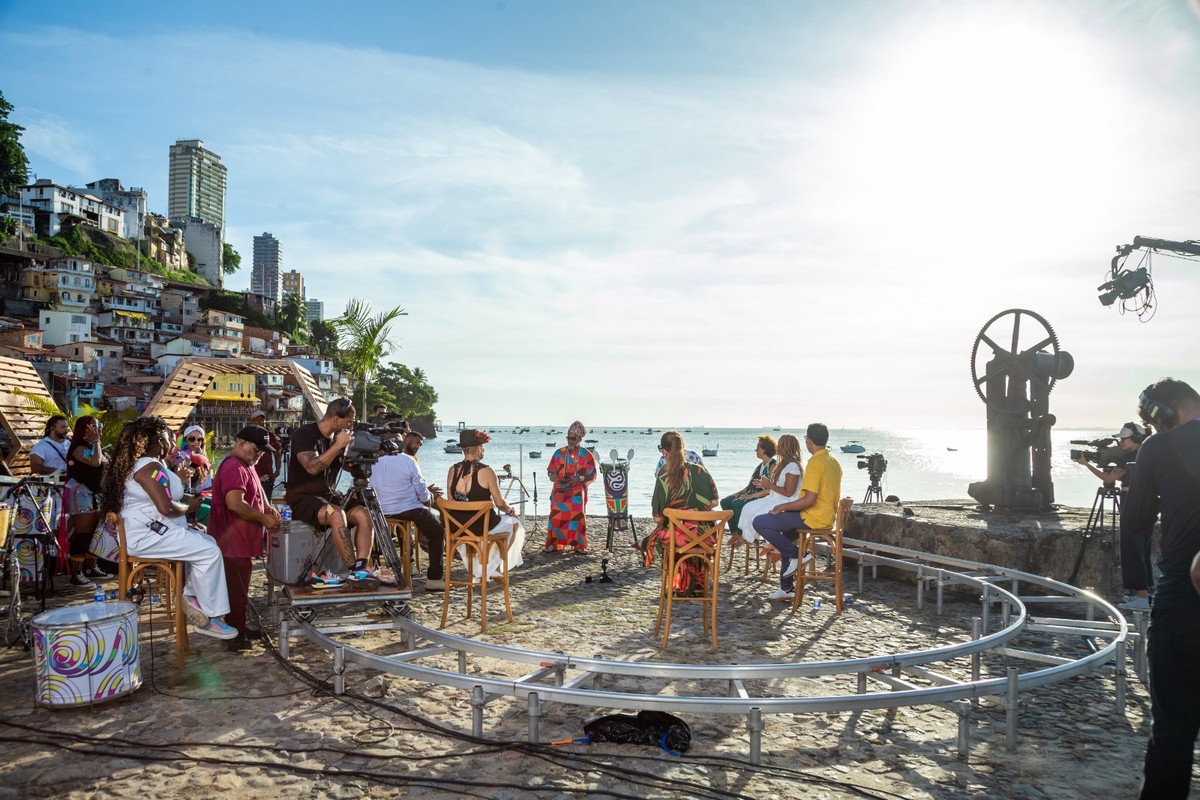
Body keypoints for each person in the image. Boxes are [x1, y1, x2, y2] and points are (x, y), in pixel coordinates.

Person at [1121, 378, 1200, 799]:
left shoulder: (1157, 447)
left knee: (1174, 733)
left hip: (1182, 608)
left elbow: (1135, 524)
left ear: (1164, 414)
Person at [97, 416, 237, 639]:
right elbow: (166, 507)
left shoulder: (150, 465)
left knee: (208, 542)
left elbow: (162, 497)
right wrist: (188, 507)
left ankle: (191, 599)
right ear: (158, 440)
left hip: (152, 531)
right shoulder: (149, 467)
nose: (173, 442)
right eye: (168, 437)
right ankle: (209, 618)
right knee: (210, 552)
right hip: (148, 537)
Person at [284, 397, 381, 589]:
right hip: (302, 498)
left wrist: (360, 454)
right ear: (336, 419)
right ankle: (352, 571)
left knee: (363, 513)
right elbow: (312, 468)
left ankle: (361, 567)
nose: (350, 426)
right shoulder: (305, 434)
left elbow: (345, 467)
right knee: (336, 513)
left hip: (328, 495)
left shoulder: (337, 439)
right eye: (349, 422)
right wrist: (337, 446)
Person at [210, 425, 281, 652]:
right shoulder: (233, 466)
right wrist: (263, 518)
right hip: (231, 540)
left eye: (262, 451)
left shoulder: (247, 464)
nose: (260, 454)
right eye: (256, 449)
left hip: (241, 540)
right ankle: (235, 633)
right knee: (235, 587)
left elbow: (258, 490)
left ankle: (238, 626)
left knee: (240, 588)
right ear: (241, 444)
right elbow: (235, 504)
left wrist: (268, 508)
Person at [754, 423, 843, 602]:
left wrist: (783, 507)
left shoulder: (816, 463)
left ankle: (798, 555)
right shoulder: (833, 462)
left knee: (760, 522)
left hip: (813, 518)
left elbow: (809, 500)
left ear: (809, 442)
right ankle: (786, 588)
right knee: (786, 537)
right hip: (826, 518)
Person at [1075, 421, 1152, 610]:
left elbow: (1108, 479)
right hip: (1148, 503)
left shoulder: (1127, 459)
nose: (1121, 443)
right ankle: (1145, 594)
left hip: (1131, 501)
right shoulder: (1147, 455)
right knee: (1143, 549)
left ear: (1136, 438)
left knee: (1132, 548)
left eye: (1124, 439)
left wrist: (1086, 465)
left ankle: (1141, 598)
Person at [642, 431, 719, 596]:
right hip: (706, 536)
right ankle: (697, 580)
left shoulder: (664, 475)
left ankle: (681, 580)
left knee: (659, 537)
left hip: (679, 536)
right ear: (683, 449)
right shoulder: (700, 471)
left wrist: (680, 514)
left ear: (664, 451)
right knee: (688, 532)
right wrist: (695, 511)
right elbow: (714, 502)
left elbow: (657, 517)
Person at [369, 430, 445, 591]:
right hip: (408, 509)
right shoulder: (408, 461)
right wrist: (429, 498)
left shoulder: (371, 461)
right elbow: (423, 494)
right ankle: (434, 578)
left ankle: (384, 567)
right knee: (437, 531)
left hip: (381, 512)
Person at [445, 429, 525, 580]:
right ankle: (493, 567)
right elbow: (500, 503)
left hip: (459, 528)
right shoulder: (487, 471)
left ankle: (482, 567)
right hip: (481, 527)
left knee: (494, 528)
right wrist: (511, 511)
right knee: (514, 524)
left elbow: (451, 503)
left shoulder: (452, 470)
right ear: (479, 448)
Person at [63, 415, 112, 587]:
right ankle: (77, 573)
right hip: (82, 493)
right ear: (85, 428)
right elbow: (95, 461)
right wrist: (97, 441)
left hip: (97, 493)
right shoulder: (78, 447)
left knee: (95, 533)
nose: (98, 427)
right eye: (94, 425)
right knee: (83, 532)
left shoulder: (95, 446)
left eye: (99, 424)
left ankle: (91, 567)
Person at [737, 434, 803, 545]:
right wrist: (764, 484)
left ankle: (772, 543)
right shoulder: (783, 464)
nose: (777, 447)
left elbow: (788, 492)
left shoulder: (793, 466)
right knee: (747, 508)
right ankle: (747, 538)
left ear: (785, 447)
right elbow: (775, 486)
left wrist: (769, 485)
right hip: (773, 498)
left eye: (780, 444)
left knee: (757, 516)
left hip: (785, 501)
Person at [544, 420, 598, 554]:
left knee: (576, 517)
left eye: (573, 439)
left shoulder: (587, 455)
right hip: (559, 490)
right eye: (568, 438)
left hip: (576, 491)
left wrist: (579, 478)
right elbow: (550, 470)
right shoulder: (559, 453)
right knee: (556, 516)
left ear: (580, 438)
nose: (570, 441)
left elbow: (592, 475)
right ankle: (554, 543)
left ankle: (579, 545)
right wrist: (552, 475)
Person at [719, 435, 777, 541]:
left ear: (764, 450)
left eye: (758, 448)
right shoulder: (760, 465)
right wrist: (737, 493)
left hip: (762, 498)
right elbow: (751, 485)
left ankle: (741, 534)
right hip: (752, 494)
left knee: (736, 503)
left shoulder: (773, 465)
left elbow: (771, 489)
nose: (755, 450)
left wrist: (751, 496)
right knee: (725, 502)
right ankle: (735, 533)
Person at [248, 409, 282, 500]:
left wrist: (277, 471)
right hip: (251, 475)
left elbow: (277, 453)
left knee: (266, 500)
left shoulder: (269, 435)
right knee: (252, 501)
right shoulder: (247, 435)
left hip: (267, 476)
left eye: (263, 420)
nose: (261, 422)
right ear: (252, 421)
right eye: (258, 419)